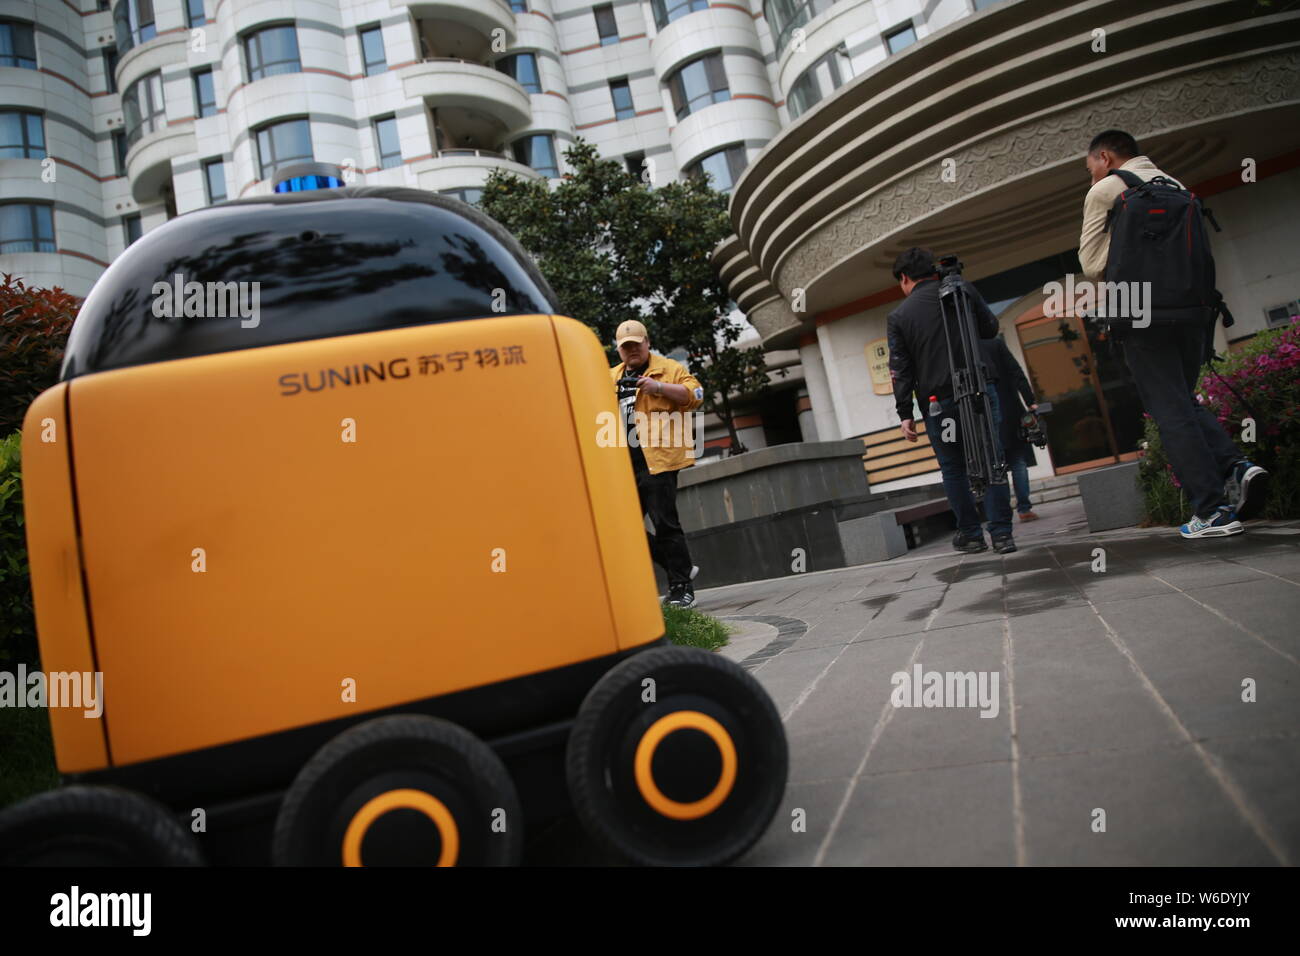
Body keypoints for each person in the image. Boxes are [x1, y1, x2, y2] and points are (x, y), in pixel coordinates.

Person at [1078, 129, 1268, 539]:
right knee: (1181, 399)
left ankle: (1213, 511)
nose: (1089, 174)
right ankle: (1237, 464)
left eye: (1089, 165)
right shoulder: (1177, 185)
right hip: (1193, 311)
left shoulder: (1106, 190)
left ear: (1106, 157)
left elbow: (1094, 266)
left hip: (1141, 312)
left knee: (1169, 412)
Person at [888, 247, 1016, 554]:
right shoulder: (961, 289)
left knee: (953, 467)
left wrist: (904, 412)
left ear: (905, 278)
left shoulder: (899, 316)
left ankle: (971, 534)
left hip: (939, 403)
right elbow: (990, 329)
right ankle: (1002, 535)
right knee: (992, 457)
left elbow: (901, 369)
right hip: (979, 391)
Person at [610, 319, 705, 608]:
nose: (632, 351)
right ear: (619, 351)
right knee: (620, 527)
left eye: (636, 345)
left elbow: (695, 396)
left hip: (657, 461)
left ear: (647, 343)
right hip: (621, 464)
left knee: (665, 523)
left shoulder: (669, 369)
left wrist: (658, 387)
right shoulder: (608, 376)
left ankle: (681, 587)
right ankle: (677, 564)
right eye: (626, 347)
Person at [979, 334, 1039, 521]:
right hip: (1010, 409)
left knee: (996, 465)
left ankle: (1003, 513)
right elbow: (1016, 372)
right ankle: (1024, 509)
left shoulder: (967, 347)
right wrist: (1030, 401)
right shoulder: (996, 344)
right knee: (1018, 460)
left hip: (984, 415)